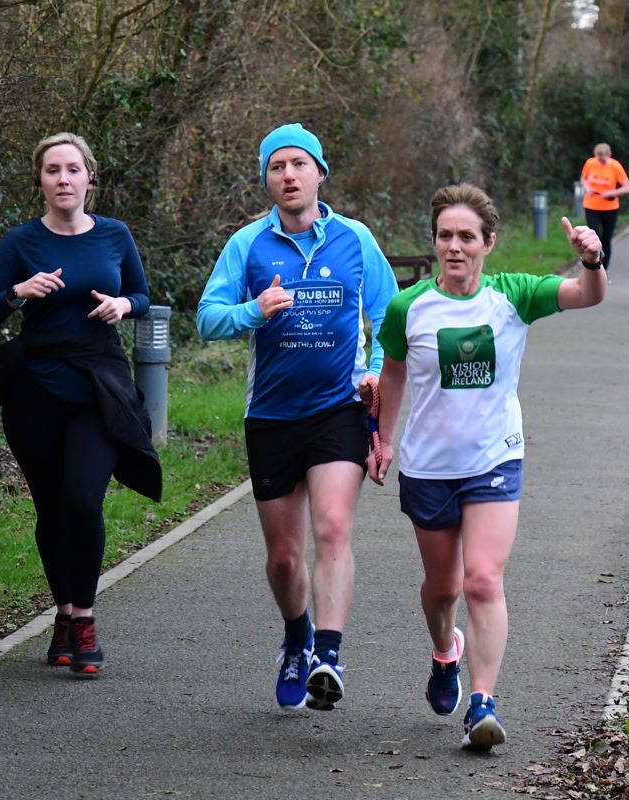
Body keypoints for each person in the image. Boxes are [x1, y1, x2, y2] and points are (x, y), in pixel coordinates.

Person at [366, 183, 606, 751]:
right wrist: (382, 437)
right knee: (443, 586)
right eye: (445, 236)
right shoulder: (409, 307)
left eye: (466, 237)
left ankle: (482, 703)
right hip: (427, 467)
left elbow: (587, 295)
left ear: (488, 243)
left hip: (494, 458)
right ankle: (444, 651)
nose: (455, 246)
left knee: (482, 578)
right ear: (434, 242)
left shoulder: (514, 296)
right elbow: (393, 375)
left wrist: (592, 260)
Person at [195, 123, 398, 711]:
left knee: (333, 528)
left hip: (338, 408)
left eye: (298, 164)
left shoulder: (356, 240)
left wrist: (375, 376)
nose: (288, 175)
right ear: (267, 179)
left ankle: (328, 657)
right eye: (277, 166)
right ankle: (296, 635)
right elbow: (207, 319)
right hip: (272, 416)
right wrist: (254, 311)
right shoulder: (247, 246)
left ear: (319, 173)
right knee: (285, 558)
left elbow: (389, 315)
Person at [0, 132, 162, 676]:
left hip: (98, 383)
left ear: (89, 177)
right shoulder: (20, 242)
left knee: (83, 499)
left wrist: (125, 304)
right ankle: (62, 614)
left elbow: (143, 297)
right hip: (35, 389)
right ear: (41, 181)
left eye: (72, 169)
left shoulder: (115, 236)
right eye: (52, 170)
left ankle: (85, 618)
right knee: (51, 508)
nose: (62, 179)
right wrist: (17, 293)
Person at [580, 143, 629, 274]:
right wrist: (587, 188)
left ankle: (605, 268)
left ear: (609, 155)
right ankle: (593, 266)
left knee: (606, 238)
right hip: (592, 205)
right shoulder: (590, 163)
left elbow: (627, 187)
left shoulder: (615, 166)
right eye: (599, 158)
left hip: (609, 207)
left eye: (603, 159)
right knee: (594, 235)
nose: (600, 161)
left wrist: (612, 193)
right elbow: (583, 178)